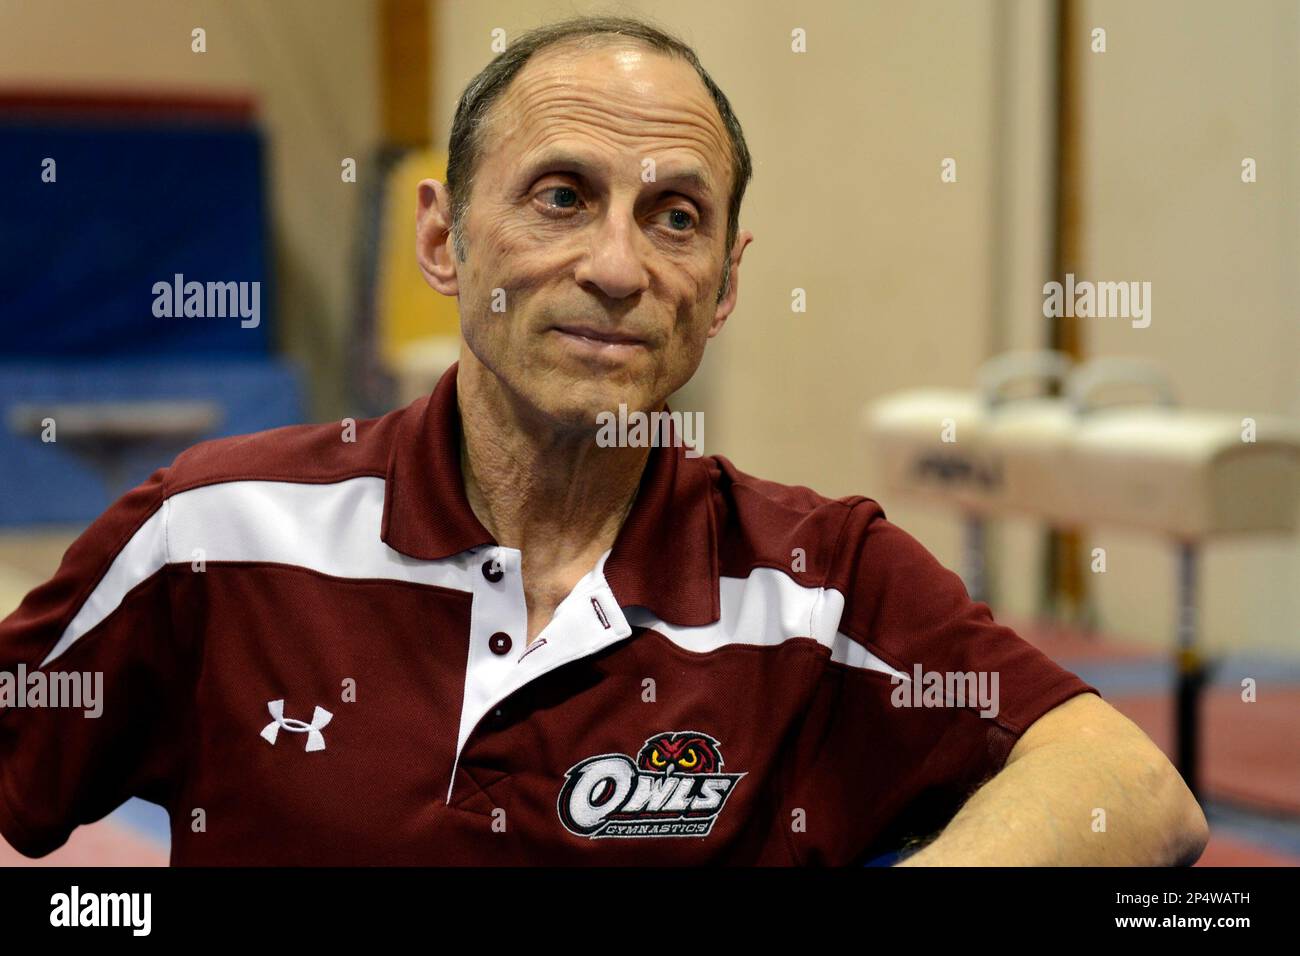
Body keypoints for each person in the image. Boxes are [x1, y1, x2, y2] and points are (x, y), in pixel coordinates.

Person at [0, 15, 1207, 865]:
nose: (619, 267)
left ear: (724, 284)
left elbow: (1131, 790)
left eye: (673, 216)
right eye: (561, 195)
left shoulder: (814, 584)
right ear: (442, 240)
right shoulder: (213, 533)